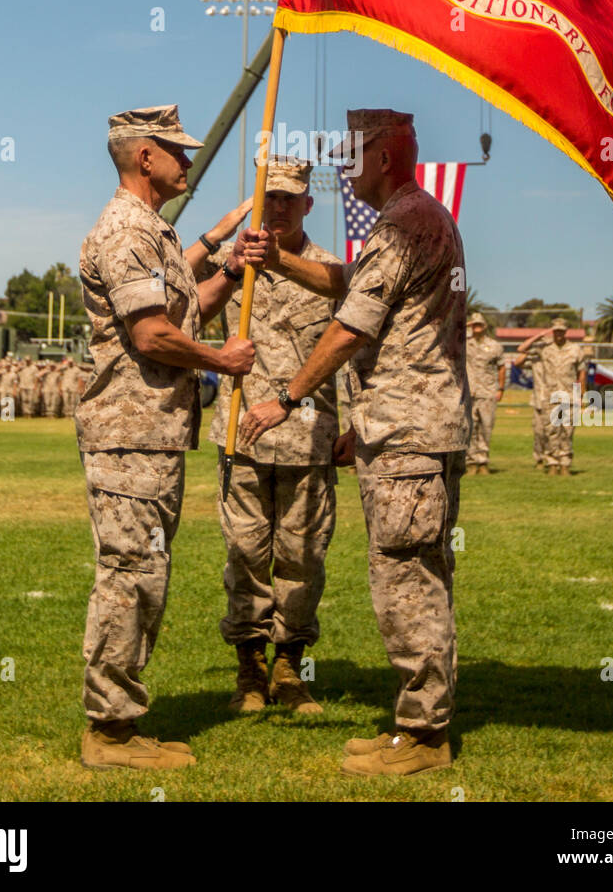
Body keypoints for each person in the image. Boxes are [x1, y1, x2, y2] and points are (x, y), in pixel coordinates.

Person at [240, 109, 471, 777]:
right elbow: (351, 285)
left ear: (387, 158)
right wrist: (280, 260)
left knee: (410, 585)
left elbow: (351, 327)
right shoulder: (410, 219)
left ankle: (424, 737)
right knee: (407, 578)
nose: (346, 168)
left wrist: (286, 396)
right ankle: (413, 724)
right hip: (403, 430)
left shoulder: (402, 224)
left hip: (407, 433)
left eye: (355, 156)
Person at [76, 104, 260, 772]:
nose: (188, 162)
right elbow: (151, 335)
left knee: (144, 576)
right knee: (130, 577)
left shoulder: (150, 229)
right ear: (143, 156)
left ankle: (122, 723)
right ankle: (110, 732)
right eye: (177, 151)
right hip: (130, 434)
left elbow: (182, 310)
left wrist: (231, 270)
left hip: (150, 434)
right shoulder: (128, 230)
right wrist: (222, 361)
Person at [202, 156, 340, 716]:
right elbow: (180, 299)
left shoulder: (334, 271)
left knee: (303, 557)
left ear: (309, 203)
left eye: (290, 198)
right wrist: (228, 258)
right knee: (246, 554)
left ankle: (291, 666)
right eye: (270, 198)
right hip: (242, 433)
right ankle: (250, 668)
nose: (279, 207)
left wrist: (351, 422)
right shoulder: (234, 263)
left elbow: (353, 349)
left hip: (310, 437)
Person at [513, 320, 587, 475]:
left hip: (569, 397)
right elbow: (521, 349)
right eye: (556, 331)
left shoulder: (575, 350)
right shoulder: (544, 348)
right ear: (552, 332)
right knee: (551, 431)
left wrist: (581, 395)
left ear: (566, 331)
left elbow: (581, 373)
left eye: (561, 331)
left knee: (567, 432)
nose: (559, 334)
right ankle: (553, 463)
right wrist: (539, 335)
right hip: (550, 397)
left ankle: (565, 464)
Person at [464, 314, 505, 475]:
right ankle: (471, 462)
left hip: (487, 392)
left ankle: (483, 461)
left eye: (480, 324)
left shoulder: (494, 346)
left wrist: (501, 388)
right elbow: (451, 330)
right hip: (469, 391)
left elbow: (501, 367)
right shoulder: (464, 343)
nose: (476, 327)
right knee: (469, 428)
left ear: (485, 326)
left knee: (486, 427)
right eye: (474, 324)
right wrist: (467, 324)